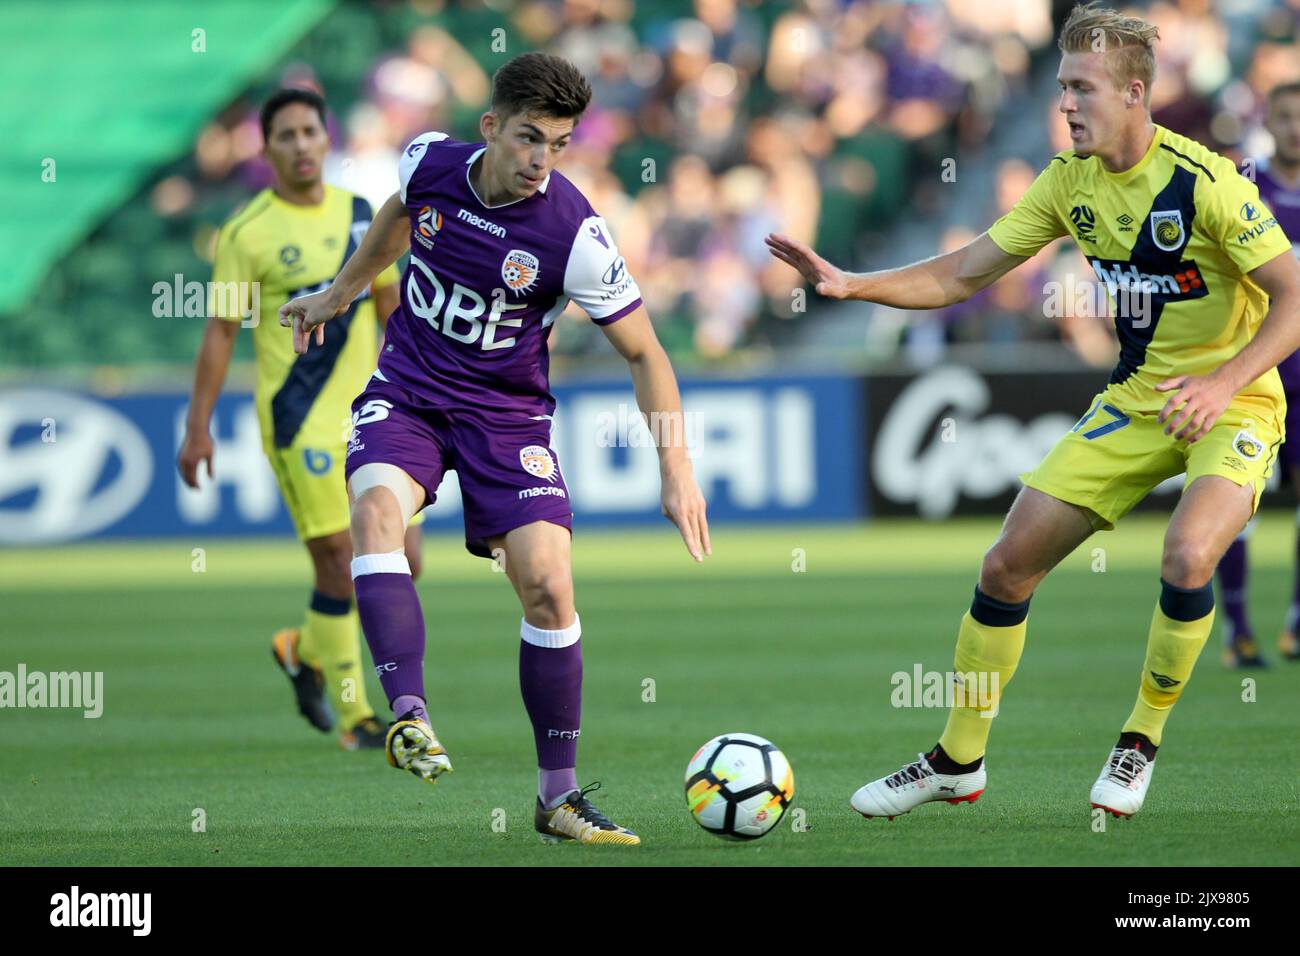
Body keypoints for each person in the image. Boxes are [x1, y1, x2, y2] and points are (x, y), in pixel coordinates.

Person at [766, 3, 1300, 819]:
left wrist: (1225, 384)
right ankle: (956, 760)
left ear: (1134, 90)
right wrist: (851, 283)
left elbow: (1295, 296)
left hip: (1235, 401)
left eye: (1081, 87)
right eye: (1059, 87)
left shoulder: (1207, 183)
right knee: (1005, 566)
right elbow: (962, 274)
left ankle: (1138, 741)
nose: (1066, 103)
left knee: (1189, 555)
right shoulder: (1067, 182)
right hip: (1137, 399)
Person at [279, 53, 709, 845]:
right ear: (491, 129)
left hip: (507, 421)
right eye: (529, 138)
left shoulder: (573, 232)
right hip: (406, 393)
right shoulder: (430, 163)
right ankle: (407, 712)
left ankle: (558, 797)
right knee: (376, 513)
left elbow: (647, 354)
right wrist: (338, 294)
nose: (542, 159)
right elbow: (395, 219)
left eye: (559, 143)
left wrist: (676, 469)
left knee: (548, 584)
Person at [179, 88, 419, 750]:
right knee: (341, 562)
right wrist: (198, 426)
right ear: (267, 149)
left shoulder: (362, 212)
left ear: (326, 137)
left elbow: (391, 307)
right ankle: (356, 716)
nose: (301, 145)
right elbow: (221, 332)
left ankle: (304, 651)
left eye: (311, 131)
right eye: (286, 135)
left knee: (405, 563)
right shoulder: (246, 232)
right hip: (299, 418)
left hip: (377, 410)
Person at [1214, 80, 1300, 667]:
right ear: (1268, 120)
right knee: (1237, 504)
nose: (1296, 127)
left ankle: (1296, 624)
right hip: (1252, 374)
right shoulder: (1242, 184)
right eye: (1286, 116)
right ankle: (1239, 630)